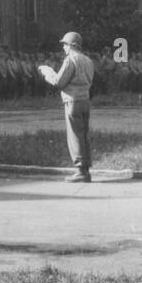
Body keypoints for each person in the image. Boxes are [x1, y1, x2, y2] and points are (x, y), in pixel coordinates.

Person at [40, 31, 95, 183]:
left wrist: (47, 73)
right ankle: (86, 169)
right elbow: (90, 81)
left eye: (64, 44)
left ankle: (80, 170)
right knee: (84, 134)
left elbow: (59, 82)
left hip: (73, 101)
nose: (63, 47)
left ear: (71, 45)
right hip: (85, 99)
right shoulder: (88, 60)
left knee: (75, 135)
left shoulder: (70, 60)